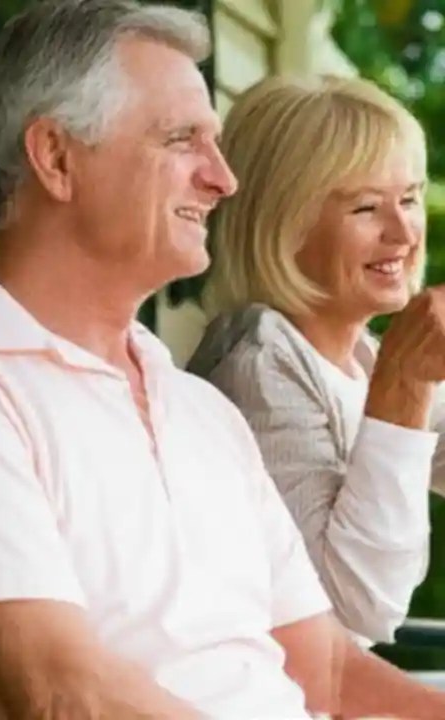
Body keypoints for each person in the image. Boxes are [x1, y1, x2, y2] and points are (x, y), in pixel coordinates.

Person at [0, 1, 445, 718]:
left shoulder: (199, 409)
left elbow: (329, 673)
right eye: (183, 140)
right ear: (56, 158)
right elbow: (68, 695)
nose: (224, 180)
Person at [186, 74, 444, 650]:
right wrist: (404, 387)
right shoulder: (257, 369)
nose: (403, 231)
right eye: (366, 207)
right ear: (283, 222)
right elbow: (355, 613)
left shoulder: (358, 354)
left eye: (408, 198)